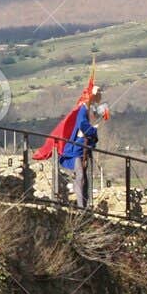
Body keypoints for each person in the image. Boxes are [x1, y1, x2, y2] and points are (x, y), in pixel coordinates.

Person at [33, 68, 110, 209]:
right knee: (80, 174)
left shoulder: (90, 108)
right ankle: (81, 207)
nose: (100, 94)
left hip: (83, 148)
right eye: (97, 92)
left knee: (83, 176)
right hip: (75, 147)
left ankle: (84, 205)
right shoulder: (83, 108)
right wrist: (92, 130)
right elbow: (82, 123)